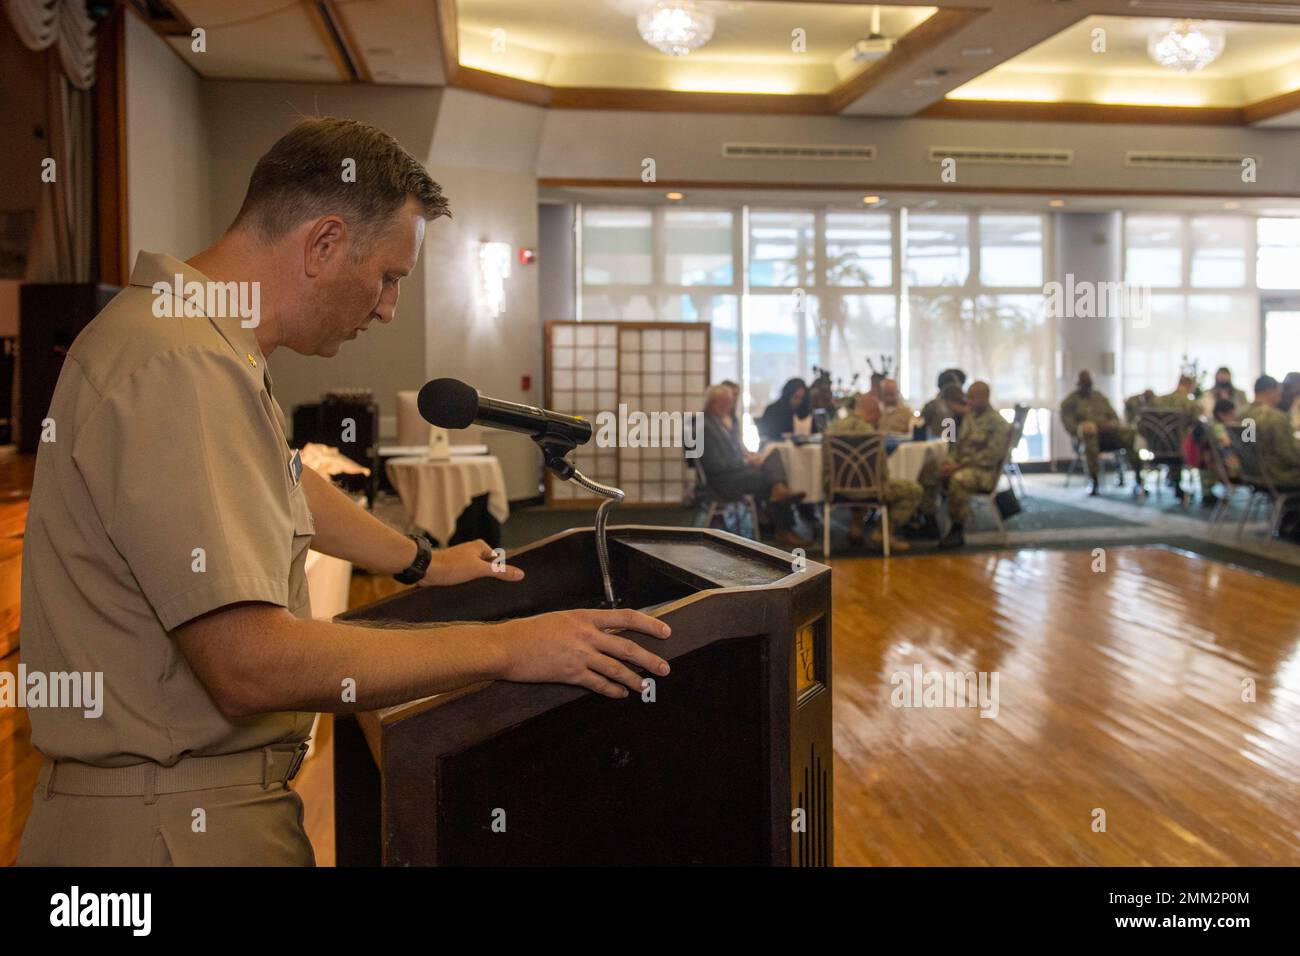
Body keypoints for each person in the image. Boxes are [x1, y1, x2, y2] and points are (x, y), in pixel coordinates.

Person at [17, 118, 672, 867]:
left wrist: (420, 561)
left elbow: (288, 477)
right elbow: (248, 664)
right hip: (171, 826)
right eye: (390, 276)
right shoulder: (183, 367)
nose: (389, 306)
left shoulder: (188, 339)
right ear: (325, 244)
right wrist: (507, 647)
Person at [700, 385, 812, 550]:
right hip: (722, 480)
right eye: (727, 403)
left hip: (734, 472)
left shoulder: (720, 421)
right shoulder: (704, 426)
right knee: (768, 478)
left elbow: (733, 452)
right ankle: (783, 527)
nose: (730, 407)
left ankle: (778, 504)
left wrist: (749, 457)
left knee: (771, 455)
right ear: (715, 402)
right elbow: (714, 465)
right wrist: (746, 462)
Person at [825, 393, 923, 552]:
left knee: (857, 481)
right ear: (872, 413)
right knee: (913, 490)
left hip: (835, 489)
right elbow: (881, 472)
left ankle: (855, 528)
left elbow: (826, 467)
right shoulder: (872, 434)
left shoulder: (832, 429)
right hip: (870, 490)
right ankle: (882, 533)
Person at [918, 381, 1010, 549]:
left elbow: (991, 457)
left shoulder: (998, 423)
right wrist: (950, 461)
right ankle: (929, 520)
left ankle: (957, 529)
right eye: (968, 397)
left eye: (973, 398)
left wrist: (959, 466)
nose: (969, 402)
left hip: (983, 472)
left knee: (959, 480)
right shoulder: (970, 418)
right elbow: (957, 446)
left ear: (985, 397)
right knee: (929, 473)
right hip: (963, 466)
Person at [1058, 370, 1138, 496]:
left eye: (1089, 384)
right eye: (1084, 384)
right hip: (1085, 439)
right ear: (1079, 384)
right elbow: (1070, 427)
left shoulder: (1099, 397)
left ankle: (1138, 479)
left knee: (1129, 435)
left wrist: (1109, 425)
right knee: (1090, 435)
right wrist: (1087, 427)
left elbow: (1114, 418)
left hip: (1107, 435)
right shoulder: (1070, 402)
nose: (1087, 388)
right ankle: (1094, 481)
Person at [1241, 375, 1300, 492]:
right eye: (1279, 391)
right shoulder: (1275, 417)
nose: (1281, 394)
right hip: (1279, 476)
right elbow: (1290, 454)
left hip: (1253, 473)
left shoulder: (1242, 414)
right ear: (1270, 391)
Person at [757, 377, 813, 442]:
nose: (798, 401)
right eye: (796, 397)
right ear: (788, 395)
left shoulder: (804, 411)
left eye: (801, 398)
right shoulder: (772, 411)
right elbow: (766, 435)